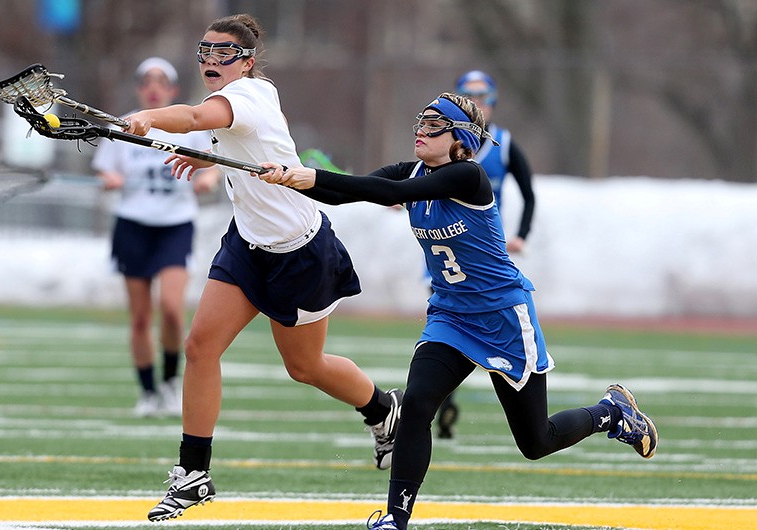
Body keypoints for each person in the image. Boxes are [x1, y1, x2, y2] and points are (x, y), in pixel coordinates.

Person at [258, 92, 658, 530]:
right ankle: (395, 518)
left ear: (459, 137)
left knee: (536, 441)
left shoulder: (467, 176)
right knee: (416, 405)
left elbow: (391, 192)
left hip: (502, 316)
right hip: (450, 316)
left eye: (433, 126)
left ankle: (612, 412)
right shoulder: (412, 170)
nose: (421, 132)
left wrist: (311, 175)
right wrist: (288, 177)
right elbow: (345, 193)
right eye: (420, 123)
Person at [121, 14, 402, 522]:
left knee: (305, 368)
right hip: (247, 245)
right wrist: (210, 158)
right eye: (204, 51)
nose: (210, 61)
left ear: (247, 62)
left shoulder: (248, 95)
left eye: (223, 53)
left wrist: (149, 116)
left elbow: (193, 118)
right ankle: (193, 474)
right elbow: (219, 133)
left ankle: (384, 411)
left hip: (299, 250)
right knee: (200, 346)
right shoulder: (229, 105)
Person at [91, 57, 220, 418]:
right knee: (139, 318)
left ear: (173, 89)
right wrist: (110, 180)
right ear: (139, 87)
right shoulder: (125, 125)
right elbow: (105, 171)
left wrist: (207, 179)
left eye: (161, 80)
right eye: (147, 80)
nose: (154, 86)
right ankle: (147, 392)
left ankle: (168, 383)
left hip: (175, 226)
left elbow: (212, 163)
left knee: (172, 311)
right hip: (133, 225)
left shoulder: (189, 125)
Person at [434, 70, 538, 439]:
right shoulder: (440, 143)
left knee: (484, 324)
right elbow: (417, 182)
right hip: (446, 248)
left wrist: (521, 235)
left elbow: (529, 193)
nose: (480, 104)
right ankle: (442, 402)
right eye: (471, 97)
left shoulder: (504, 144)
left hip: (484, 254)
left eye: (485, 97)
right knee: (443, 325)